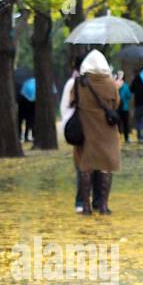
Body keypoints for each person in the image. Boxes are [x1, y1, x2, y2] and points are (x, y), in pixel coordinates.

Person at [70, 50, 121, 214]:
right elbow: (116, 105)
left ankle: (86, 206)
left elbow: (72, 102)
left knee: (86, 166)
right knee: (106, 166)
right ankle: (104, 206)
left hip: (86, 130)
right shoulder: (111, 84)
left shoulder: (79, 83)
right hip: (107, 132)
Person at [60, 61, 83, 212]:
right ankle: (81, 201)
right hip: (79, 128)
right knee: (81, 165)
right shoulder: (74, 83)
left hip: (81, 128)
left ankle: (83, 201)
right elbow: (66, 106)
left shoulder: (85, 83)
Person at [116, 70, 133, 142]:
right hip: (122, 107)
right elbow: (129, 96)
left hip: (120, 107)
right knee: (123, 123)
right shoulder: (124, 86)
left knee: (120, 123)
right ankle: (124, 137)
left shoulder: (116, 85)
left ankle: (121, 137)